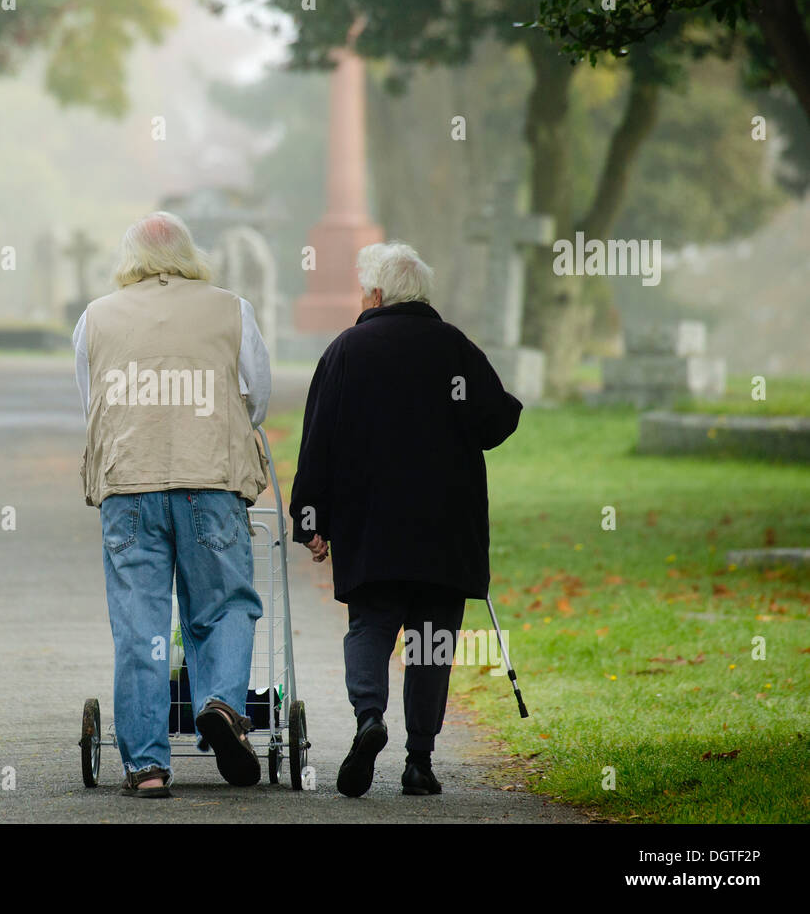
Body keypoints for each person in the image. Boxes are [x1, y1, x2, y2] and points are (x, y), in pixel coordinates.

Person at [288, 241, 521, 799]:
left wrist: (310, 519)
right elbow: (499, 419)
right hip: (445, 529)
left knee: (370, 625)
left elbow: (318, 440)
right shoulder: (454, 348)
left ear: (374, 293)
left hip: (372, 526)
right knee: (431, 641)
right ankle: (420, 761)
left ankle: (370, 718)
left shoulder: (347, 351)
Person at [74, 211, 272, 797]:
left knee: (140, 624)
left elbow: (90, 402)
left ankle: (147, 766)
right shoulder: (231, 309)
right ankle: (220, 703)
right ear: (190, 254)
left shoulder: (95, 319)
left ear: (128, 259)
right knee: (225, 605)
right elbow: (257, 398)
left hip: (128, 486)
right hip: (208, 478)